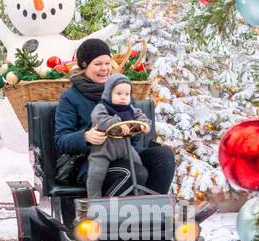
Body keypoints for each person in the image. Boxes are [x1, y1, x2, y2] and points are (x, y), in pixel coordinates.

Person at [54, 36, 175, 194]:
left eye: (107, 63)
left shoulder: (120, 89)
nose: (104, 68)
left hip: (126, 153)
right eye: (97, 64)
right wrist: (86, 137)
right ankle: (104, 216)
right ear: (84, 66)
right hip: (94, 160)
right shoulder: (70, 97)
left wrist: (137, 130)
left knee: (163, 156)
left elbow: (136, 128)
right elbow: (61, 140)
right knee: (133, 172)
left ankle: (153, 212)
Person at [86, 74, 150, 197]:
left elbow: (140, 116)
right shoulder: (102, 107)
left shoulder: (130, 108)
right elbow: (100, 119)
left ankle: (140, 195)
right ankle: (94, 198)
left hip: (124, 147)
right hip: (103, 150)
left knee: (138, 166)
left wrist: (144, 124)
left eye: (127, 94)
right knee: (96, 173)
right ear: (109, 93)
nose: (123, 98)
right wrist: (117, 124)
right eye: (119, 94)